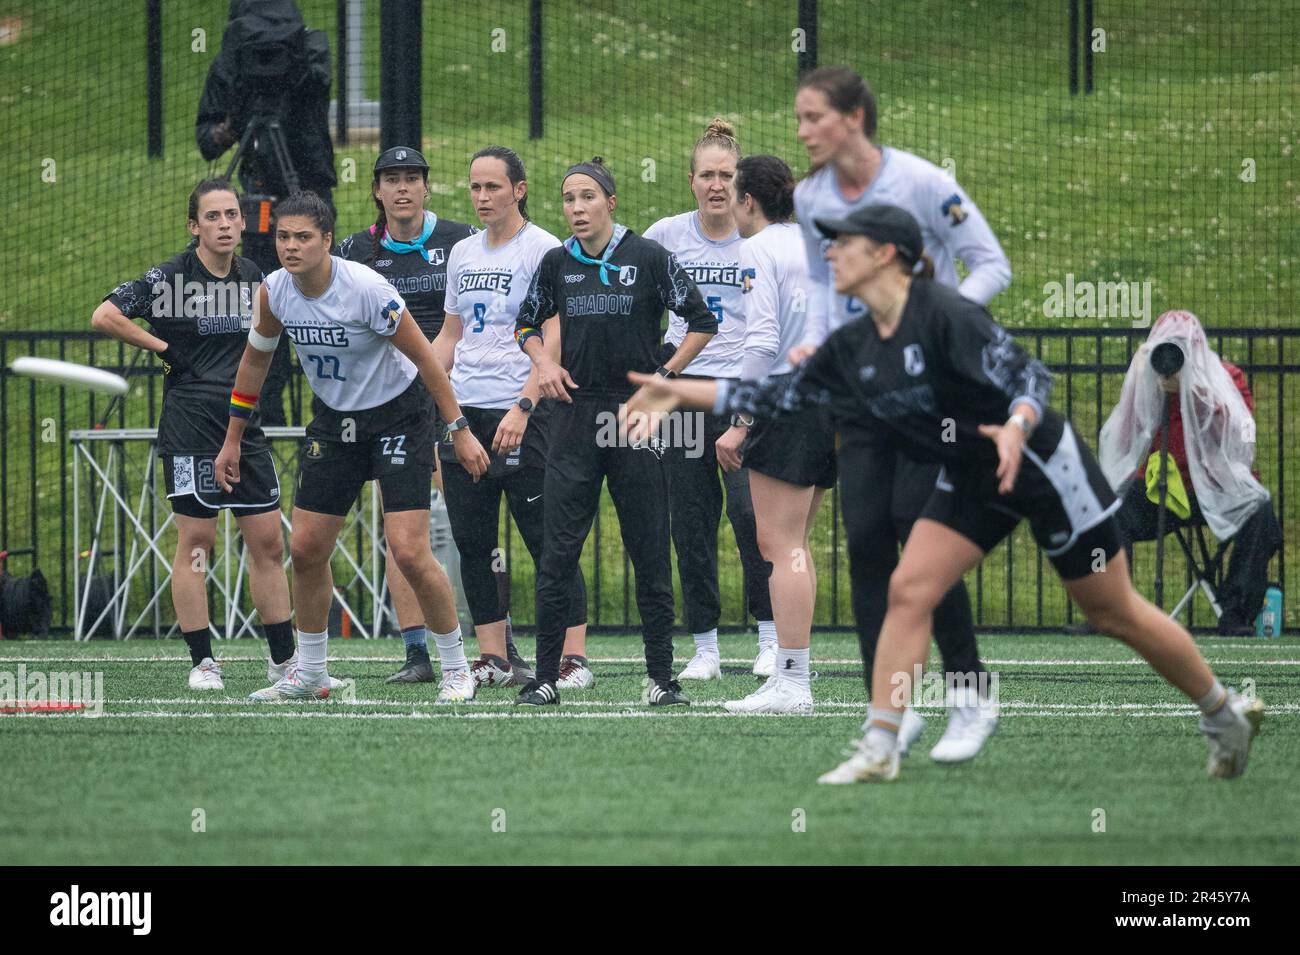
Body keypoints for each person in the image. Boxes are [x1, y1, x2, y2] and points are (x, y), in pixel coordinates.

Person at [623, 204, 1265, 784]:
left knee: (1113, 611)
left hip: (1042, 465)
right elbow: (770, 395)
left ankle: (1220, 709)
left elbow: (1028, 376)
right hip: (969, 474)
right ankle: (880, 742)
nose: (828, 256)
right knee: (910, 589)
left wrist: (1014, 429)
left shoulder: (945, 313)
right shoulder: (851, 343)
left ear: (883, 255)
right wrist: (675, 390)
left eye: (841, 245)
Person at [792, 65, 1012, 761]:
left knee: (920, 542)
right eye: (797, 120)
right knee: (864, 541)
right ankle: (889, 708)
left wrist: (935, 325)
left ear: (853, 117)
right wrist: (821, 346)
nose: (802, 133)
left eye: (812, 118)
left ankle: (971, 694)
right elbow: (826, 285)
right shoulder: (808, 197)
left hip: (929, 397)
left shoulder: (920, 183)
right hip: (861, 392)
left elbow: (990, 264)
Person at [213, 191, 490, 702]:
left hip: (399, 416)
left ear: (326, 241)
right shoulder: (274, 292)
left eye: (302, 237)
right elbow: (254, 364)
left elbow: (428, 361)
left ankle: (455, 667)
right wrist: (232, 440)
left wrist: (459, 429)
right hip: (336, 422)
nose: (290, 247)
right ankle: (311, 672)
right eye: (282, 237)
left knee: (408, 550)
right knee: (305, 548)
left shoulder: (365, 289)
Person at [513, 157, 717, 706]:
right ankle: (546, 679)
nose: (576, 208)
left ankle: (661, 679)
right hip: (574, 419)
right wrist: (544, 364)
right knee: (557, 553)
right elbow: (526, 323)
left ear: (611, 201)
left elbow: (702, 322)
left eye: (586, 197)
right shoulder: (557, 263)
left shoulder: (648, 257)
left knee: (649, 550)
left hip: (634, 417)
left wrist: (666, 378)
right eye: (568, 199)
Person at [92, 178, 306, 692]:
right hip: (190, 426)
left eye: (232, 215)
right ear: (194, 227)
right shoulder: (169, 277)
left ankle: (284, 662)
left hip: (243, 425)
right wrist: (162, 347)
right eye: (213, 217)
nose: (226, 224)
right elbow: (105, 315)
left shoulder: (254, 274)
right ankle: (203, 662)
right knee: (197, 543)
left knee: (268, 542)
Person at [431, 145, 590, 689]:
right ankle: (495, 658)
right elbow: (451, 335)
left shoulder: (544, 249)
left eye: (492, 187)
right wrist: (425, 385)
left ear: (518, 190)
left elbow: (554, 337)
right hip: (466, 410)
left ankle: (574, 658)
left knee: (547, 537)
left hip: (526, 410)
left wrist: (524, 405)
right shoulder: (462, 253)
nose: (481, 197)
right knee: (474, 543)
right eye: (474, 187)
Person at [337, 146, 490, 684]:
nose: (402, 188)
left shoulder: (462, 241)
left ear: (427, 187)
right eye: (391, 179)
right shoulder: (354, 250)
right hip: (390, 406)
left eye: (412, 178)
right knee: (404, 534)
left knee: (471, 523)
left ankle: (496, 642)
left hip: (452, 396)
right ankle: (417, 653)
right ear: (376, 190)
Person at [642, 119, 775, 682]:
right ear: (690, 180)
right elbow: (636, 303)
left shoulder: (760, 238)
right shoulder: (665, 237)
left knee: (754, 518)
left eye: (726, 175)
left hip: (744, 395)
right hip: (685, 398)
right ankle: (706, 648)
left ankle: (771, 636)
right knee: (691, 524)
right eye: (707, 175)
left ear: (740, 182)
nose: (716, 184)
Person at [712, 154, 832, 714]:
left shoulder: (756, 249)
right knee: (795, 548)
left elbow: (761, 342)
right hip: (829, 399)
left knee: (778, 548)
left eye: (733, 194)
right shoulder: (813, 241)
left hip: (788, 401)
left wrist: (739, 422)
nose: (727, 204)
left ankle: (793, 684)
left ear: (749, 201)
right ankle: (790, 676)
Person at [196, 0, 338, 428]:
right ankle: (264, 412)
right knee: (262, 301)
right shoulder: (232, 61)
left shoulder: (309, 50)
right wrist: (240, 118)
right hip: (260, 199)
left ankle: (323, 409)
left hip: (306, 189)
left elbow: (316, 90)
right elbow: (210, 137)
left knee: (321, 302)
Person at [1098, 309, 1282, 635]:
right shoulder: (1151, 382)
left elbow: (1239, 435)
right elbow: (1126, 440)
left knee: (1261, 509)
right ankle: (1110, 608)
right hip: (1169, 491)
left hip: (1218, 486)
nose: (1174, 358)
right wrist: (1140, 388)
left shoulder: (1227, 378)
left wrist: (1193, 391)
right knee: (1106, 512)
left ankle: (1237, 612)